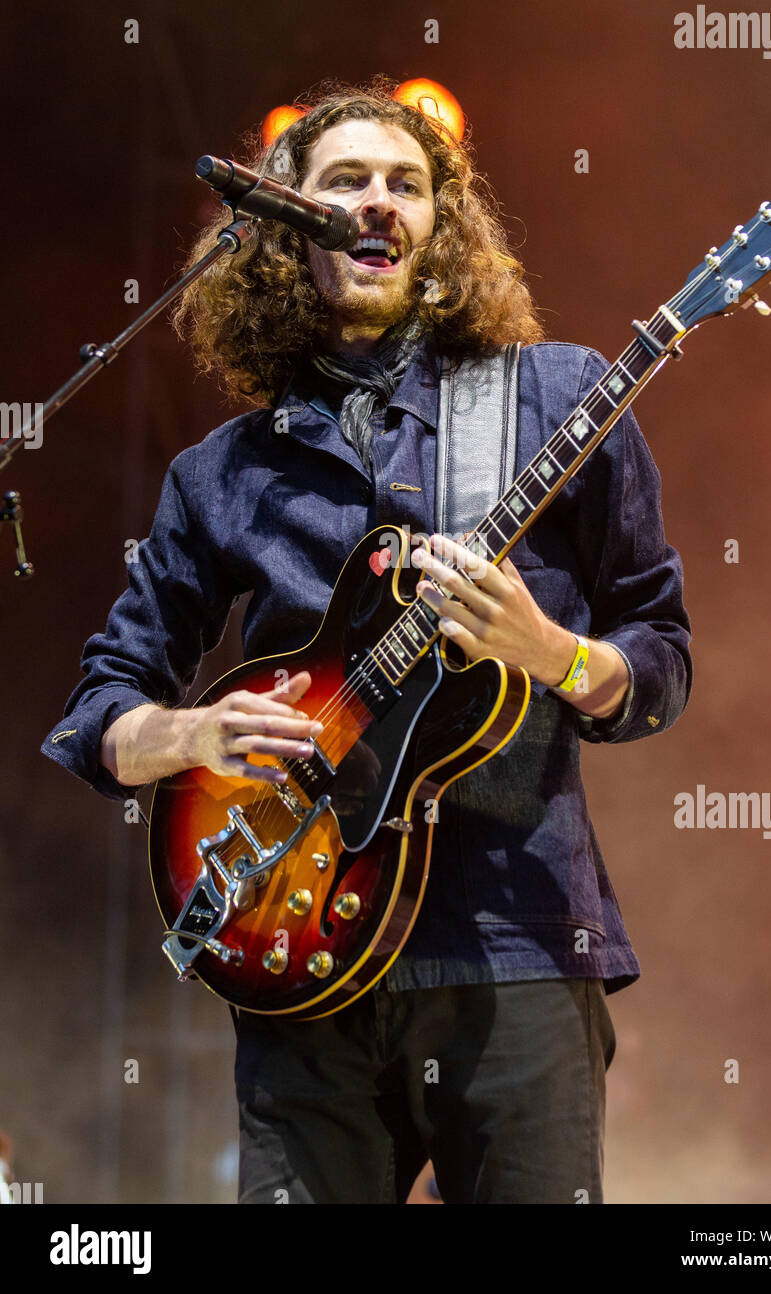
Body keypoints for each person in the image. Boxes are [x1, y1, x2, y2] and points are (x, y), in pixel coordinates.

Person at [42, 77, 692, 1205]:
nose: (377, 204)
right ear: (284, 228)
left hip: (515, 939)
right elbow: (104, 706)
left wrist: (552, 654)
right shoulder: (221, 475)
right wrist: (189, 733)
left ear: (443, 227)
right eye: (344, 182)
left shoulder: (555, 397)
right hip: (296, 955)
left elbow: (661, 655)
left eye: (406, 185)